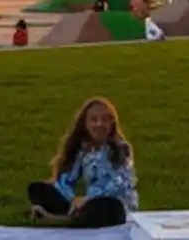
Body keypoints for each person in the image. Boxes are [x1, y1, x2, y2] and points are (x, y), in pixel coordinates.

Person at [27, 97, 138, 228]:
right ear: (85, 124)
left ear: (112, 123)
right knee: (37, 189)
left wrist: (89, 198)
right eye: (94, 120)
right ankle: (70, 216)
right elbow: (66, 179)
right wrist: (71, 199)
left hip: (112, 203)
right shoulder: (82, 150)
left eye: (104, 120)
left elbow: (120, 183)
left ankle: (62, 219)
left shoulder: (121, 149)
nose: (99, 124)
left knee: (109, 207)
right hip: (85, 205)